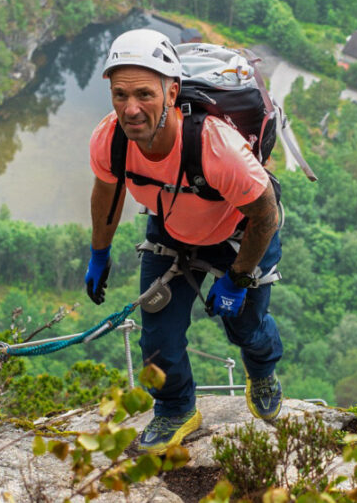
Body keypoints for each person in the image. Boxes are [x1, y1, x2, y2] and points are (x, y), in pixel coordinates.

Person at [85, 28, 284, 453]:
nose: (131, 109)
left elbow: (266, 214)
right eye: (120, 95)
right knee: (157, 338)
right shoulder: (111, 139)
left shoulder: (215, 147)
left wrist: (238, 277)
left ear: (172, 92)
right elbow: (107, 191)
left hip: (238, 236)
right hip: (172, 230)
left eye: (144, 94)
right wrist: (98, 253)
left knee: (245, 326)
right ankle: (176, 409)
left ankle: (263, 369)